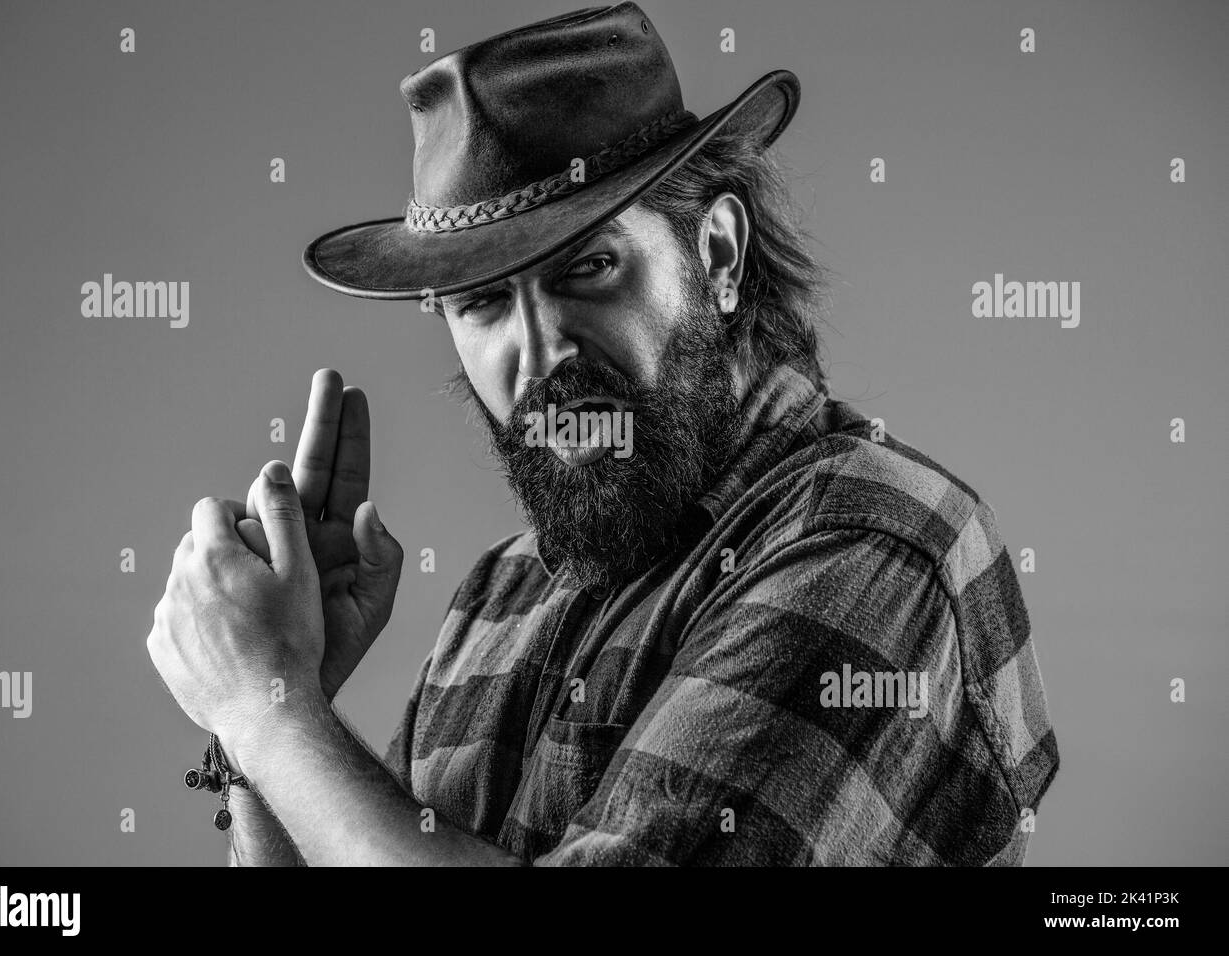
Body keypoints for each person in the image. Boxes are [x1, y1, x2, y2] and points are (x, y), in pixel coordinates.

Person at [147, 2, 1059, 865]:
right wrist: (275, 701)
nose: (540, 356)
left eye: (590, 266)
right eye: (482, 302)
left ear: (718, 254)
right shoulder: (501, 596)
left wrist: (272, 718)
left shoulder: (875, 548)